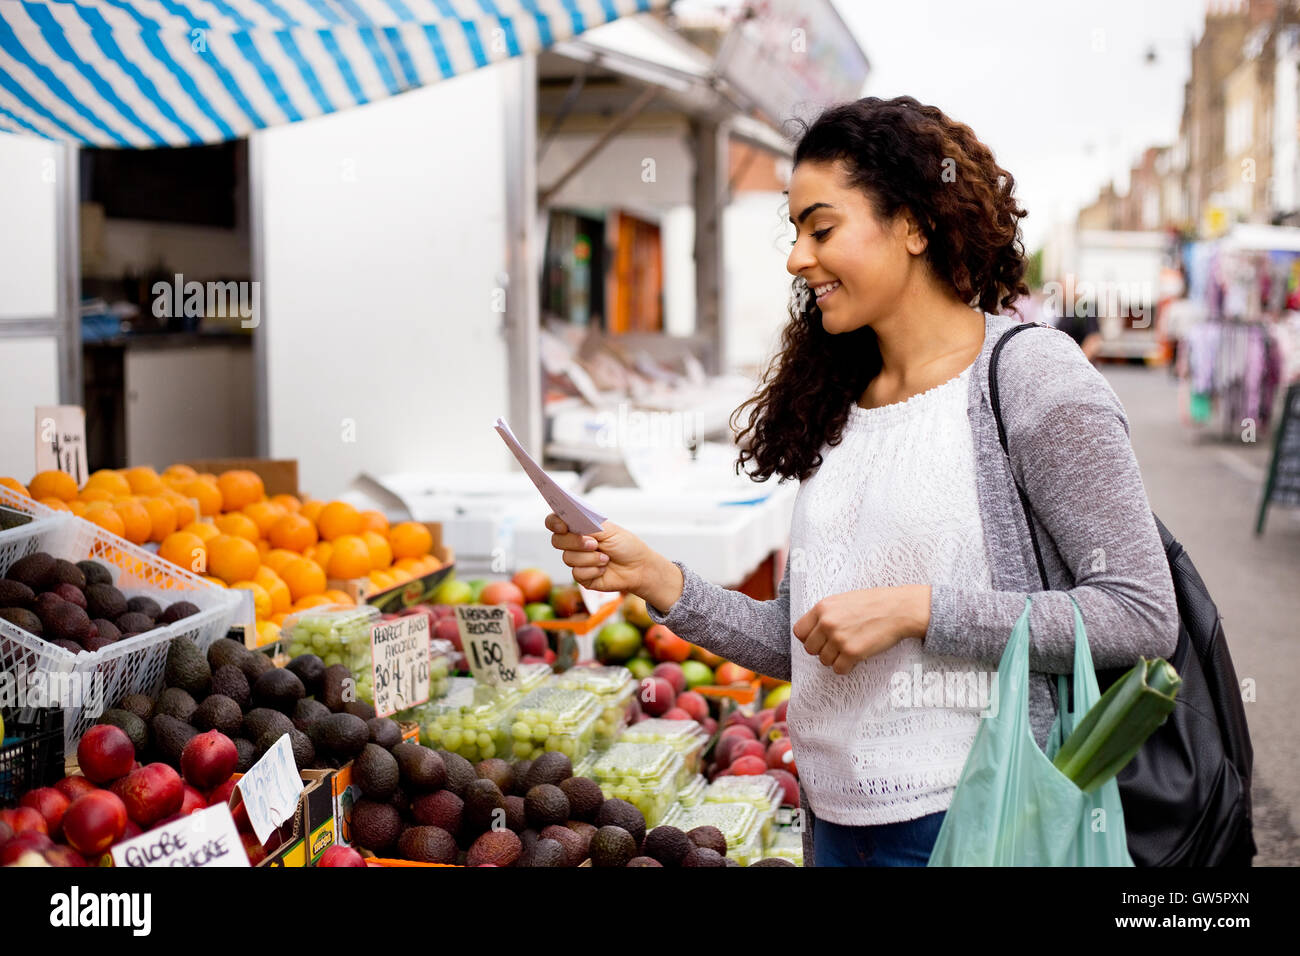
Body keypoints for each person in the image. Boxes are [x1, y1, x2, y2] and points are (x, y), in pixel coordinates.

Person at [543, 96, 1178, 867]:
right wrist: (660, 580)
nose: (796, 258)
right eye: (795, 233)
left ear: (913, 224)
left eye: (822, 228)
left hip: (979, 816)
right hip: (834, 825)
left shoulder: (1030, 380)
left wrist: (919, 611)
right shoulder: (841, 403)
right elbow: (809, 641)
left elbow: (1140, 615)